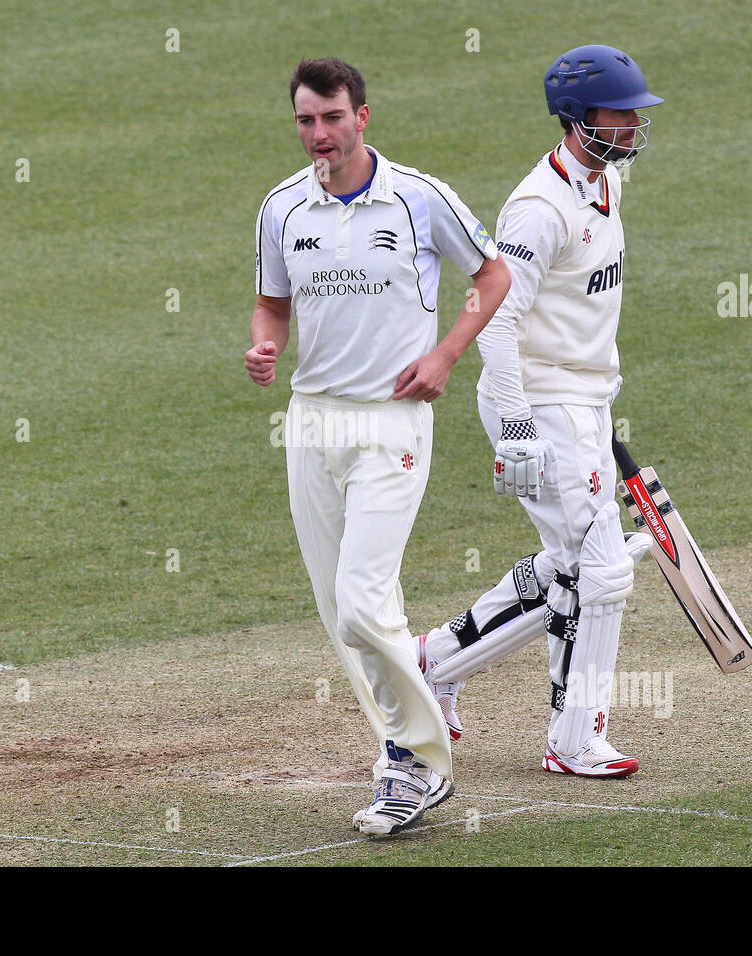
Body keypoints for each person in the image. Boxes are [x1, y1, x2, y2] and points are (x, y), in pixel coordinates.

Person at [246, 57, 511, 833]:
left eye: (331, 118)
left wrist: (446, 354)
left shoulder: (420, 198)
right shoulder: (282, 209)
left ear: (363, 116)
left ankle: (422, 759)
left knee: (364, 604)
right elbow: (271, 305)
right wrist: (264, 348)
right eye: (305, 121)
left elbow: (492, 277)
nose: (318, 135)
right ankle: (401, 759)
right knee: (345, 611)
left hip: (391, 419)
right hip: (311, 421)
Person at [415, 45, 662, 777]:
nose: (633, 125)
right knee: (604, 572)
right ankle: (574, 739)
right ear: (579, 119)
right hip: (537, 400)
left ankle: (434, 662)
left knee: (572, 565)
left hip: (582, 397)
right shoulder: (537, 209)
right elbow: (494, 317)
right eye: (621, 113)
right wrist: (519, 427)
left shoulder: (607, 180)